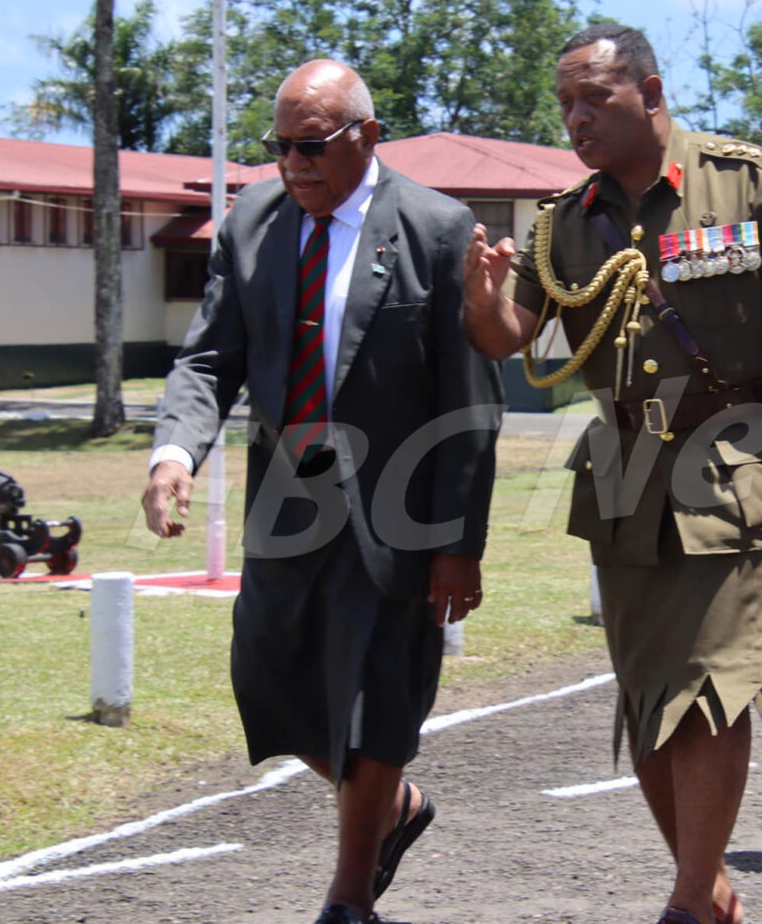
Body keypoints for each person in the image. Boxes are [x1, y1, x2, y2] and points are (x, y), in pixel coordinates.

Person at [462, 24, 762, 924]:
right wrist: (481, 298)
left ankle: (685, 903)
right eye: (565, 103)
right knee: (648, 701)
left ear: (648, 94)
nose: (575, 119)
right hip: (625, 475)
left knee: (712, 691)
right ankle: (709, 891)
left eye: (593, 99)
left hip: (738, 465)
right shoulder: (565, 219)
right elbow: (507, 336)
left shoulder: (749, 181)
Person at [141, 59, 502, 924]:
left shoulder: (437, 228)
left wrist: (458, 545)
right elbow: (209, 358)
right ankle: (394, 808)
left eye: (311, 146)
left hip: (397, 505)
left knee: (375, 694)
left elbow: (470, 399)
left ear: (367, 136)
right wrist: (174, 453)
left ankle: (349, 896)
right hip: (287, 497)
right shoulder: (251, 222)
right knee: (266, 676)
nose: (292, 164)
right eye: (280, 147)